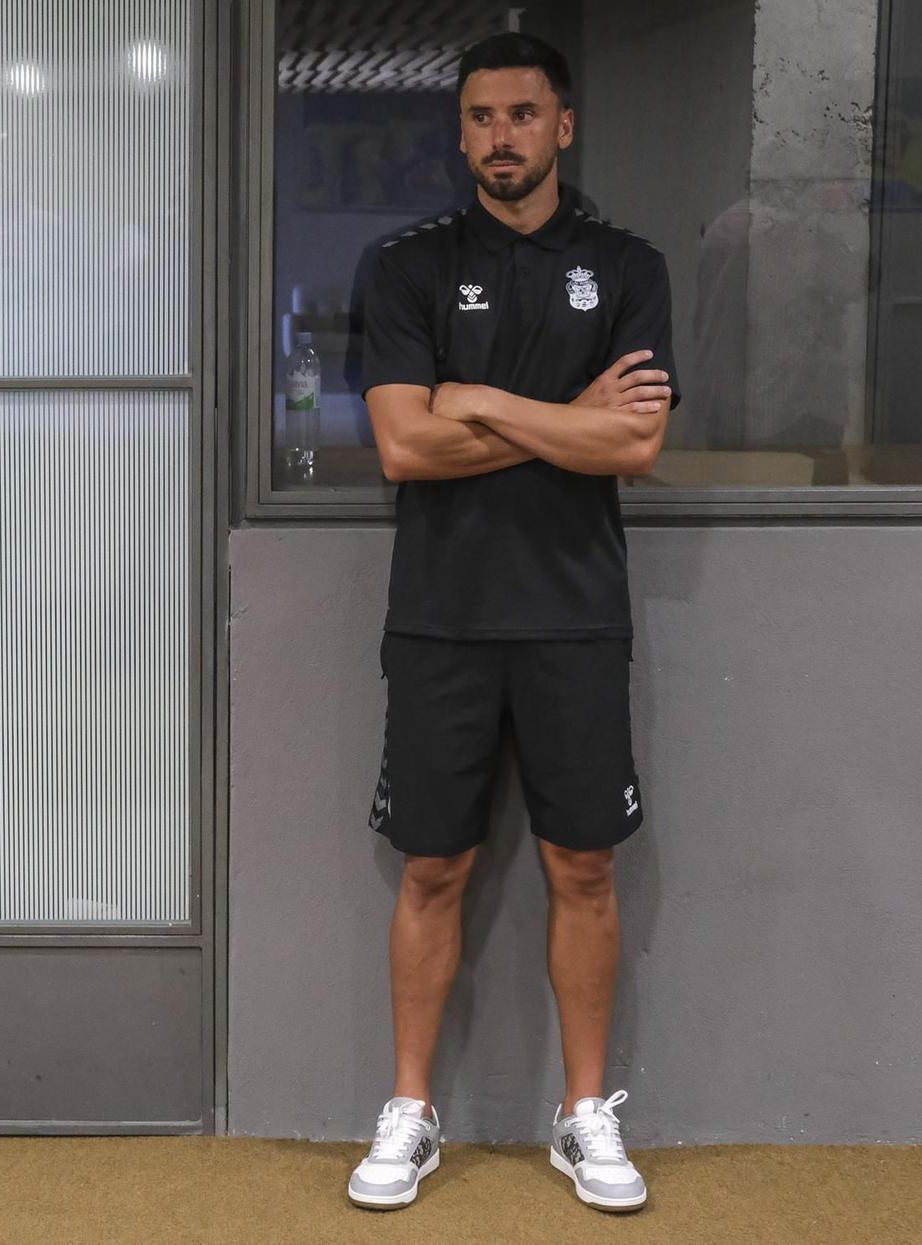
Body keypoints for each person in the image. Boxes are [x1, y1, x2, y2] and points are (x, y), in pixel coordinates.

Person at [343, 33, 678, 1214]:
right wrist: (561, 415)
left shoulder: (627, 267)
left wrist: (477, 401)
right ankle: (408, 1109)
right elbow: (401, 446)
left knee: (580, 867)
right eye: (480, 117)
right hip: (439, 618)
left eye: (521, 115)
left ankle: (583, 1114)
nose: (500, 135)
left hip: (574, 617)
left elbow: (633, 444)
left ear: (561, 126)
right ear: (461, 133)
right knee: (432, 866)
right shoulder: (404, 268)